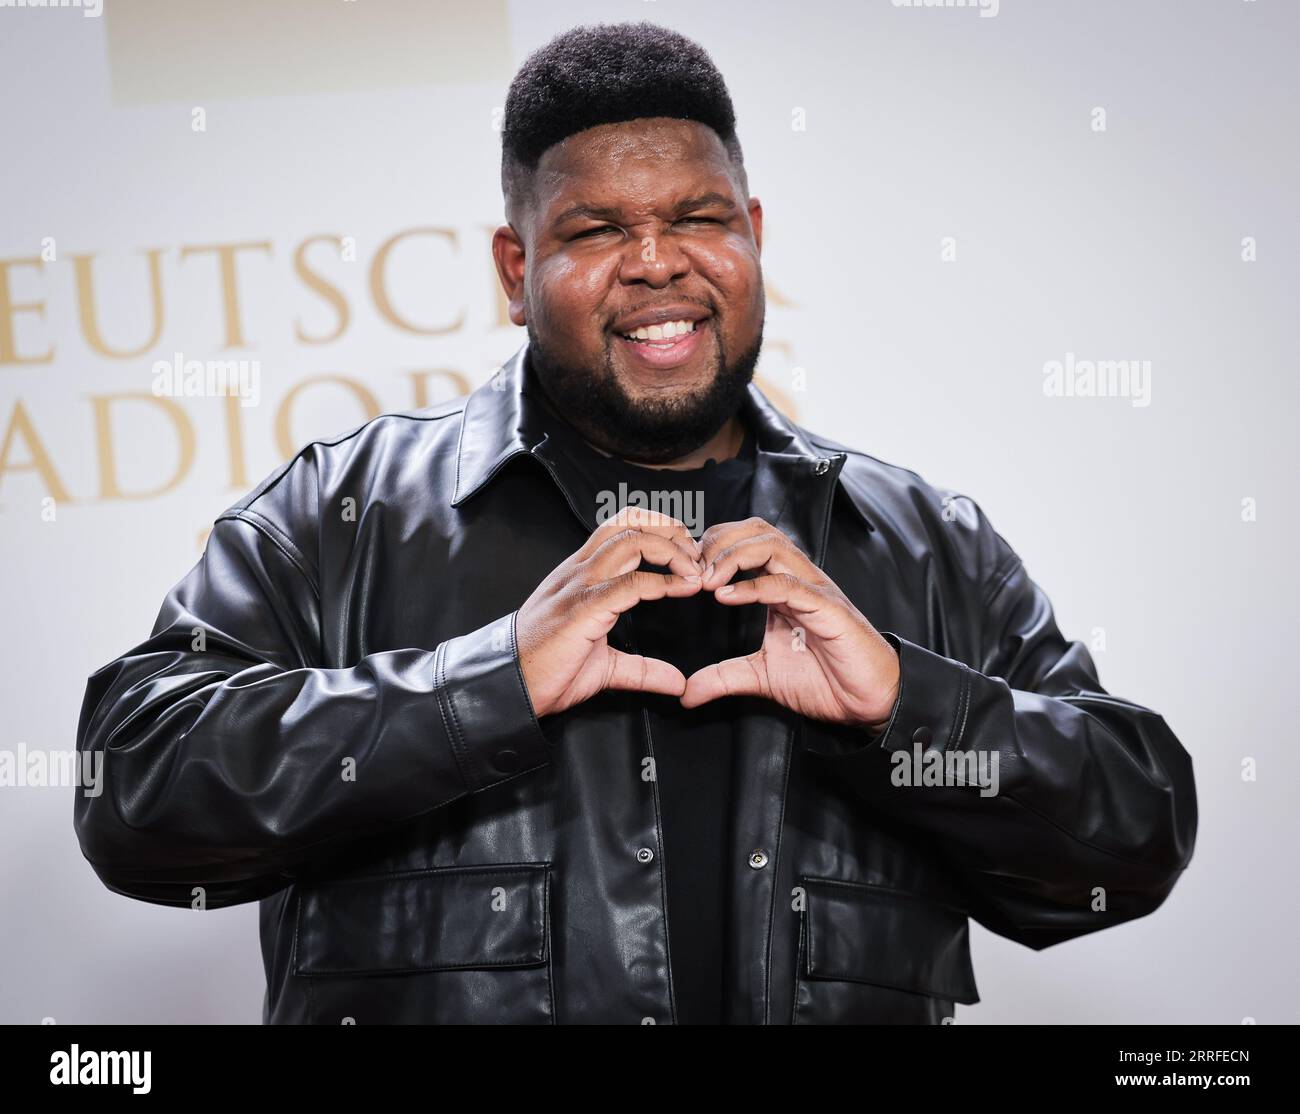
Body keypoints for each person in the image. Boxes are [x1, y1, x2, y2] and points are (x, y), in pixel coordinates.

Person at [74, 21, 1197, 1025]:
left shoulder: (921, 540)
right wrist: (484, 686)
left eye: (698, 218)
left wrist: (907, 709)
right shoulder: (342, 513)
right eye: (597, 229)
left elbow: (1136, 838)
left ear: (752, 234)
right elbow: (133, 793)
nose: (656, 262)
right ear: (516, 270)